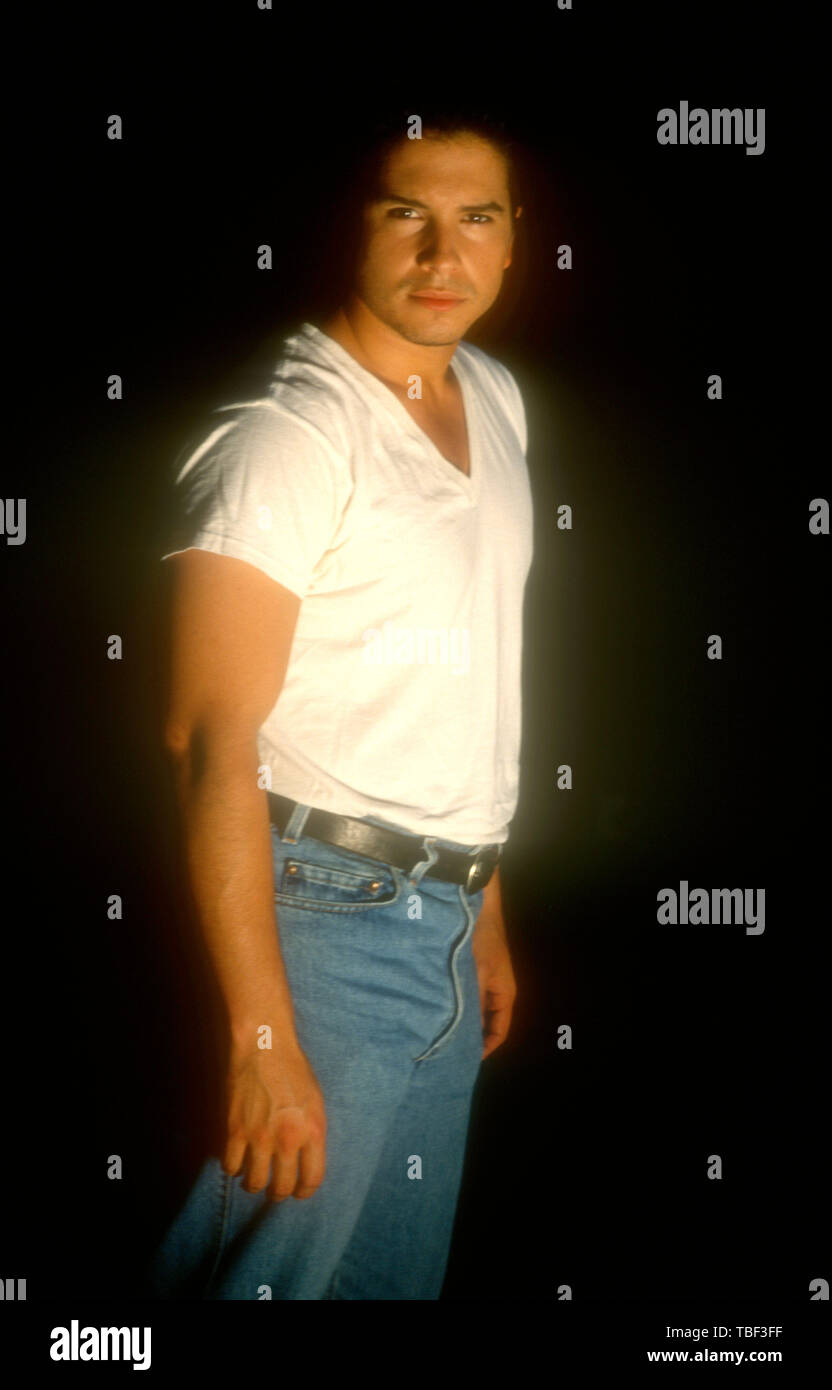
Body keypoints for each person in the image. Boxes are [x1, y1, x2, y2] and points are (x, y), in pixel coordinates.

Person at [143, 107, 534, 1300]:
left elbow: (458, 678)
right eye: (404, 215)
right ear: (347, 229)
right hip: (318, 927)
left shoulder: (496, 396)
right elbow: (208, 743)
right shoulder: (288, 432)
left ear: (516, 240)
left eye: (474, 219)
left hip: (446, 929)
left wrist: (485, 908)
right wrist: (261, 1037)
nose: (441, 257)